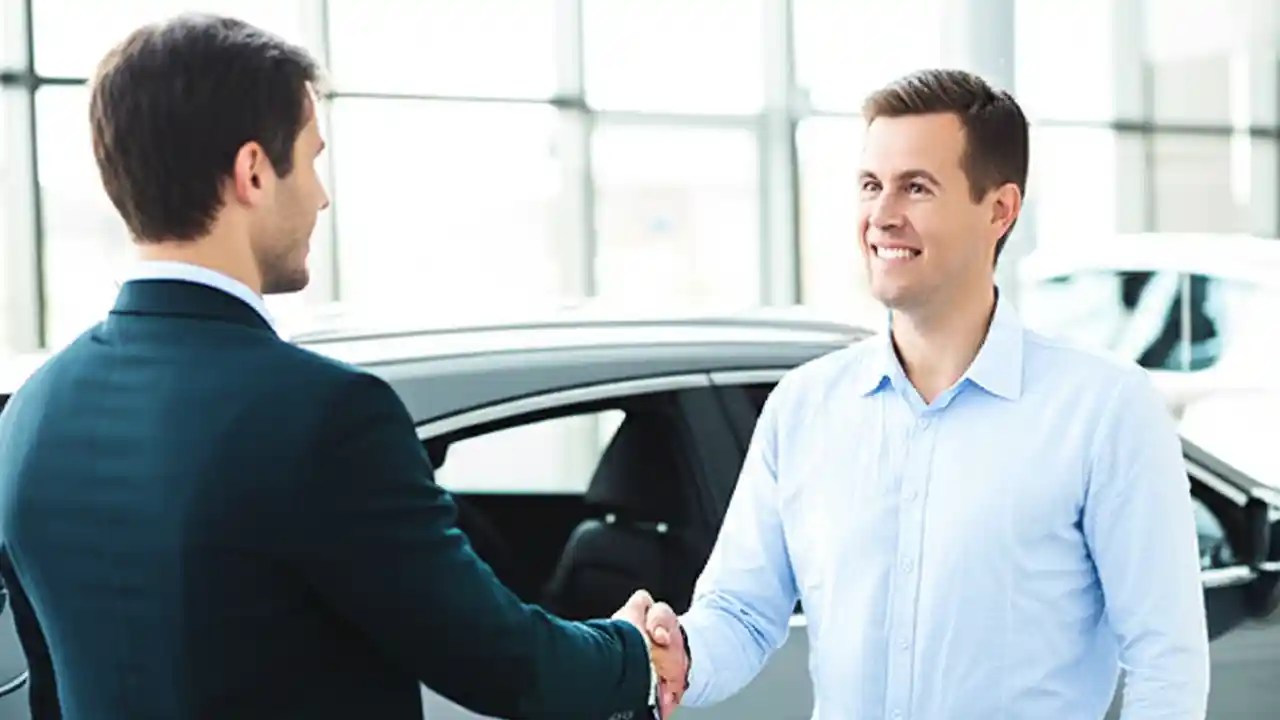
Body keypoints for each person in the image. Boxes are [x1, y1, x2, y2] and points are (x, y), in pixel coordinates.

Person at [0, 14, 659, 719]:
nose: (321, 195)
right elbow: (504, 664)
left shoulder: (30, 414)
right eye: (311, 160)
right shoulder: (325, 414)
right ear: (253, 171)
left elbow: (50, 693)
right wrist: (632, 652)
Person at [642, 68, 1211, 718]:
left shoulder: (1104, 411)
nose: (882, 216)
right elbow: (741, 613)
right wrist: (679, 650)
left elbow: (1166, 664)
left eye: (915, 188)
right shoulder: (804, 408)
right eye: (870, 185)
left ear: (999, 210)